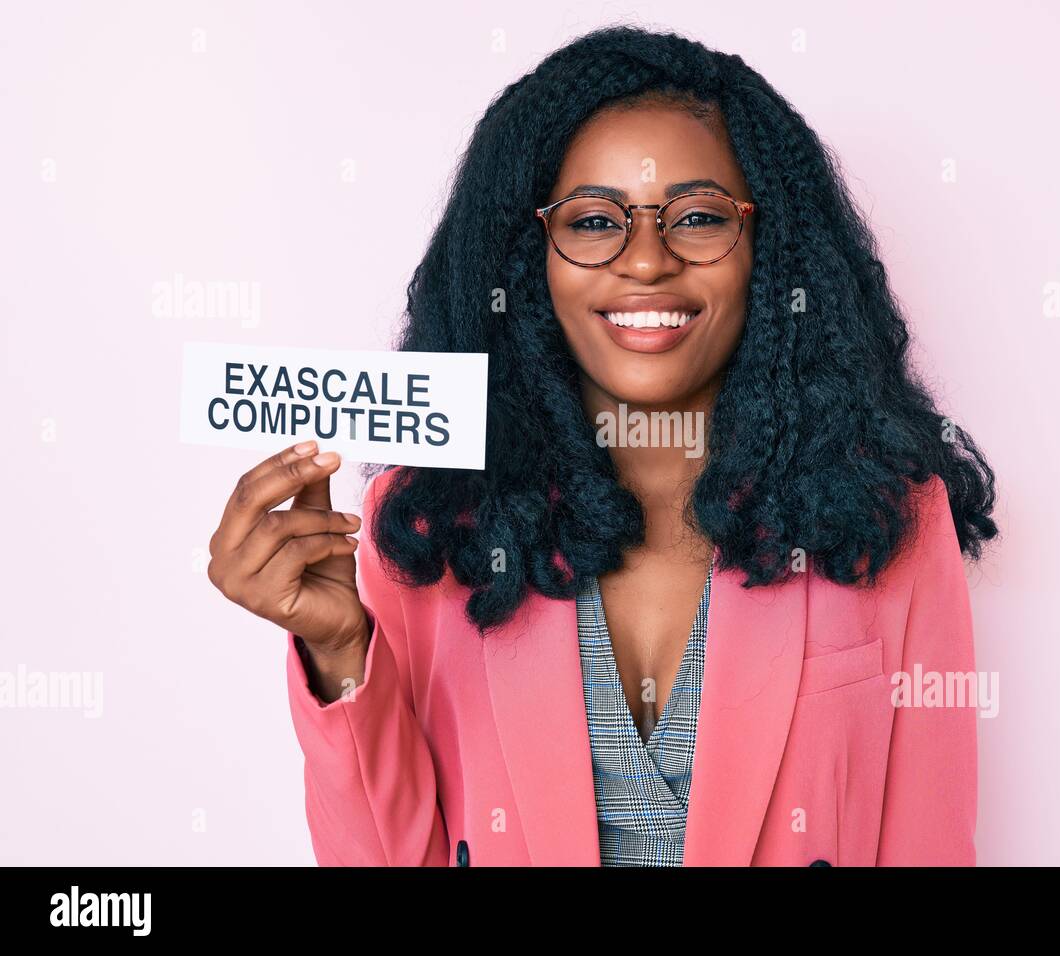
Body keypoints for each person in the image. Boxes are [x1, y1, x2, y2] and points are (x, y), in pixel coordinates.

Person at [207, 25, 998, 866]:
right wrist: (339, 653)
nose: (647, 262)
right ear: (528, 256)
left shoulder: (888, 513)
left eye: (698, 217)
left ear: (770, 252)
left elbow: (929, 840)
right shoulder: (438, 519)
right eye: (592, 222)